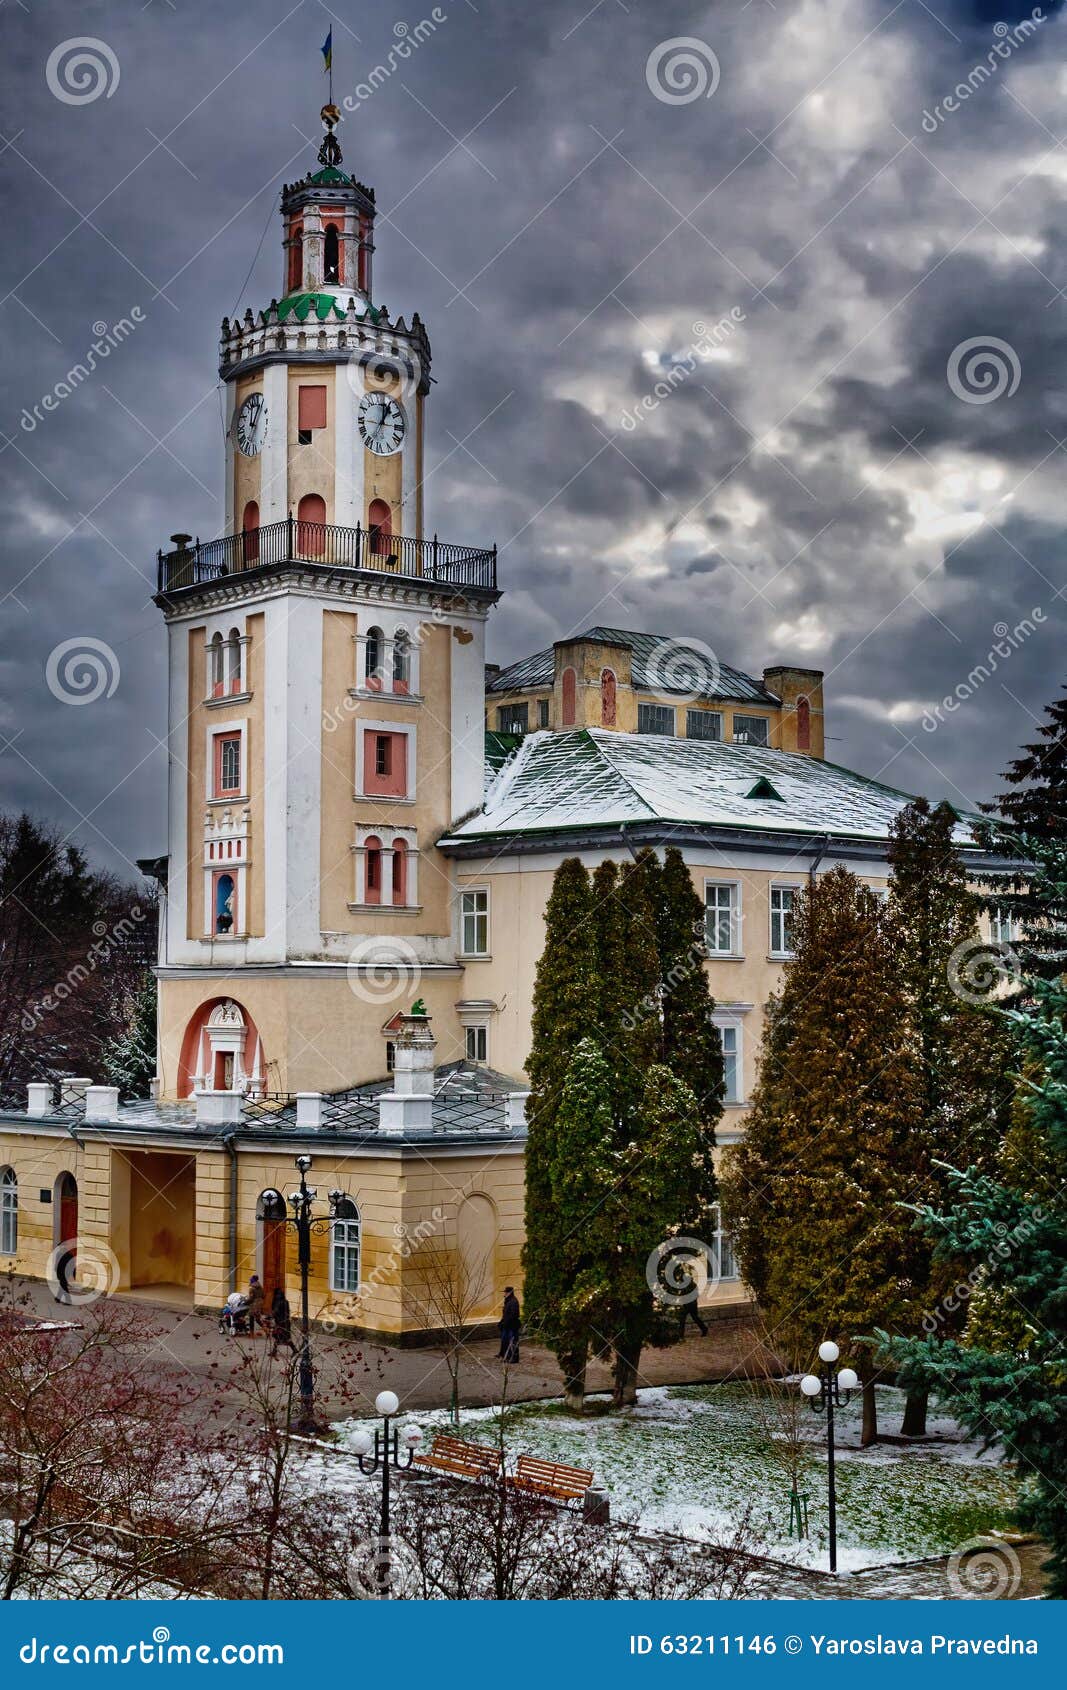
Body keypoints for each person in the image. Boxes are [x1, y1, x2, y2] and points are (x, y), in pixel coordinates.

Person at [270, 1286, 297, 1356]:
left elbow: (275, 1311)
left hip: (280, 1322)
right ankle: (274, 1351)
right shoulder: (286, 1301)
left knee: (280, 1336)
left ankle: (295, 1350)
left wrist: (269, 1317)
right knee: (281, 1337)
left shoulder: (278, 1302)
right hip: (286, 1322)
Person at [498, 1286, 521, 1362]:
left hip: (512, 1326)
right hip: (506, 1325)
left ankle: (514, 1358)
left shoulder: (514, 1301)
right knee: (505, 1341)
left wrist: (506, 1322)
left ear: (510, 1293)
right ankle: (506, 1356)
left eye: (506, 1292)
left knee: (513, 1342)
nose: (504, 1294)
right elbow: (505, 1314)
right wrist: (502, 1322)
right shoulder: (507, 1301)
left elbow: (514, 1315)